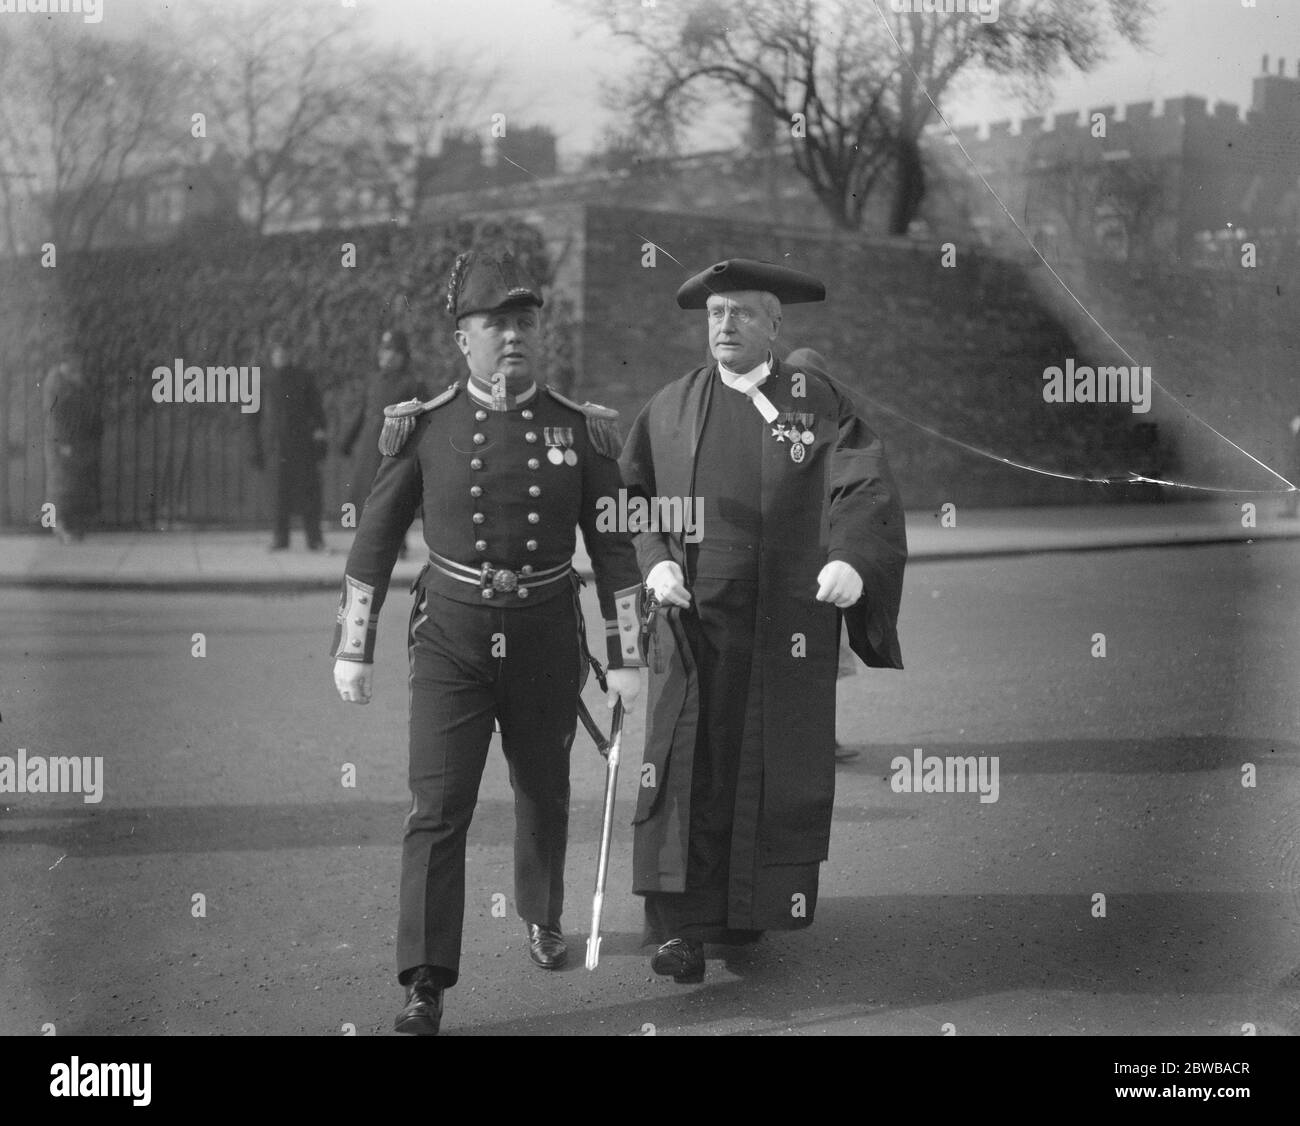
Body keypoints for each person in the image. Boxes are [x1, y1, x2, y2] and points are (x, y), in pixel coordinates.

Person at [331, 248, 645, 1035]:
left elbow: (613, 548)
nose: (512, 337)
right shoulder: (427, 426)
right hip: (453, 640)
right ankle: (426, 978)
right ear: (462, 338)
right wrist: (353, 644)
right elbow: (373, 541)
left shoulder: (580, 432)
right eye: (494, 324)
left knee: (543, 786)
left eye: (523, 323)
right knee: (438, 804)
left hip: (544, 633)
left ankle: (542, 914)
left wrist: (629, 653)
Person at [619, 258, 908, 984]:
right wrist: (655, 562)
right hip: (696, 622)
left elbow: (863, 480)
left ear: (775, 324)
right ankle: (680, 930)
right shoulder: (671, 408)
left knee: (766, 765)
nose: (725, 326)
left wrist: (852, 557)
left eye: (743, 313)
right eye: (716, 314)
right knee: (691, 767)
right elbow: (632, 498)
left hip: (786, 622)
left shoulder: (816, 402)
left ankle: (747, 914)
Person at [787, 345, 867, 765]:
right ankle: (799, 740)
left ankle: (821, 738)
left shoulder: (834, 429)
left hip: (822, 563)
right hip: (790, 564)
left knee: (820, 659)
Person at [337, 329, 430, 516]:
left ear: (402, 356)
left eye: (391, 351)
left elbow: (424, 420)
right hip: (369, 449)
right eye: (384, 349)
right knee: (365, 498)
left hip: (395, 451)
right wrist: (345, 442)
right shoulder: (374, 380)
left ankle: (397, 544)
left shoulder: (412, 383)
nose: (385, 355)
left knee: (392, 501)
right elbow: (361, 413)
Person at [248, 331, 326, 551]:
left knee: (309, 495)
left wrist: (320, 438)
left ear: (292, 353)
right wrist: (255, 447)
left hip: (302, 447)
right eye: (278, 351)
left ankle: (314, 539)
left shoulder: (304, 378)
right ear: (271, 354)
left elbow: (317, 412)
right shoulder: (262, 381)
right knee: (278, 495)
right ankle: (280, 538)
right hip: (275, 447)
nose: (282, 355)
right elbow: (251, 419)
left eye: (286, 351)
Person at [42, 356, 101, 544]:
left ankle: (66, 528)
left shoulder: (67, 383)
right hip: (63, 443)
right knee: (61, 485)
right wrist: (63, 443)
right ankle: (59, 527)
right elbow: (57, 418)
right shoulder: (58, 386)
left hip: (74, 442)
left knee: (71, 486)